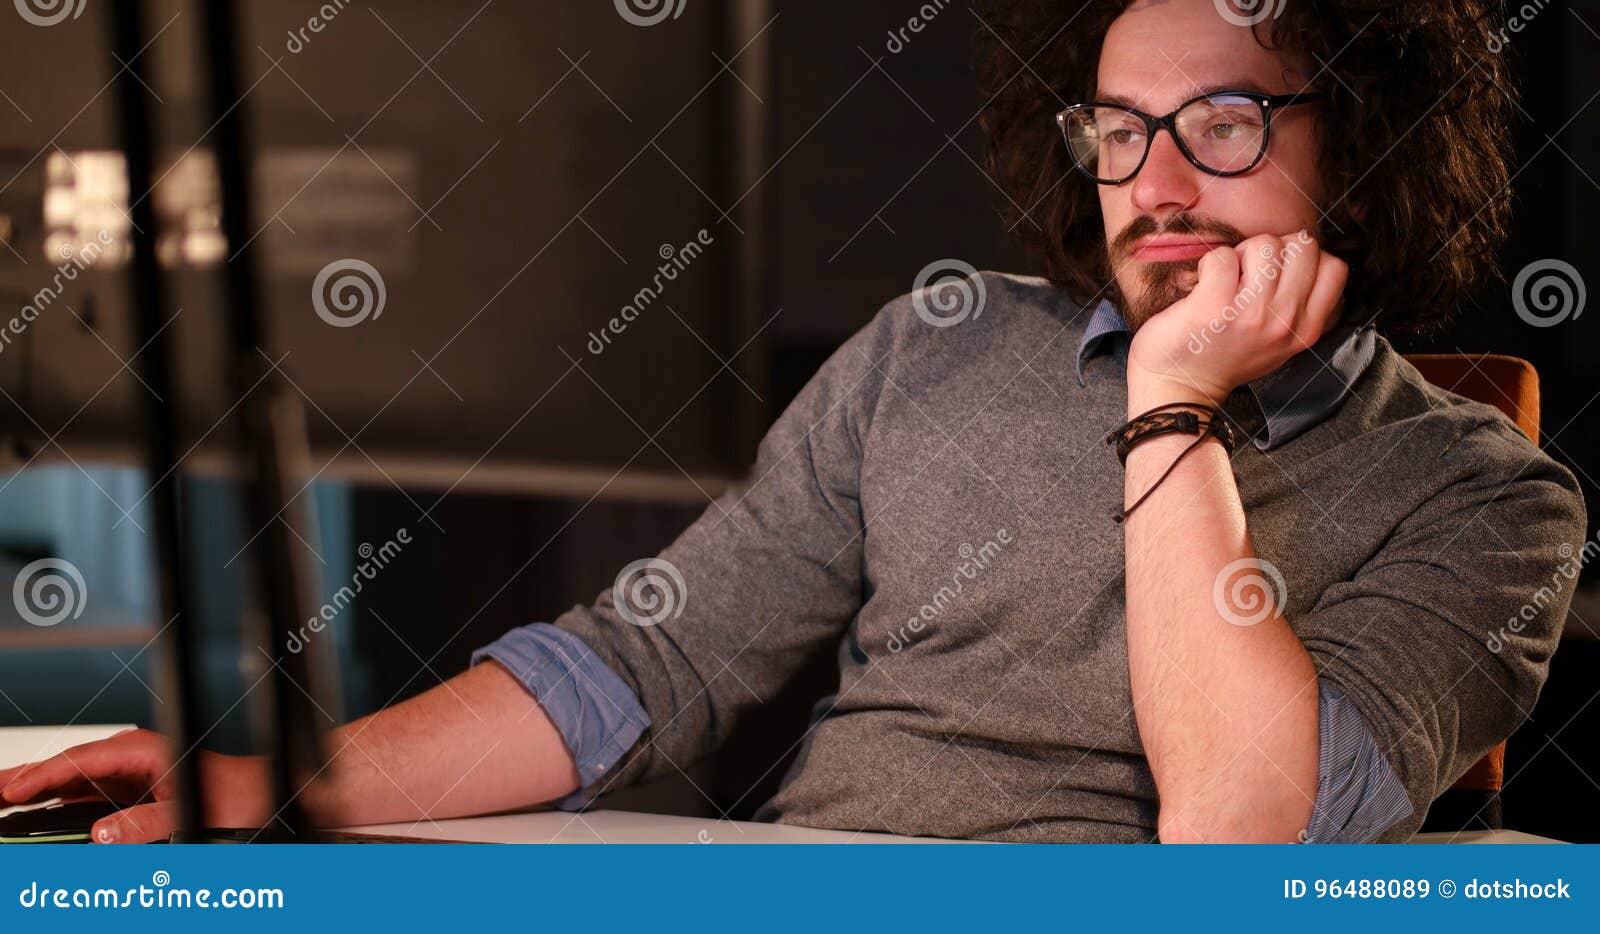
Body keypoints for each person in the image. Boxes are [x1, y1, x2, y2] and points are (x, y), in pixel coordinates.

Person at [1, 0, 1585, 843]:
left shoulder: (1488, 503)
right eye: (1117, 129)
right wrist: (279, 782)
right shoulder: (937, 350)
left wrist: (1175, 401)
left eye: (1223, 123)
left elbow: (1242, 836)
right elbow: (650, 661)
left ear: (1367, 138)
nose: (1155, 185)